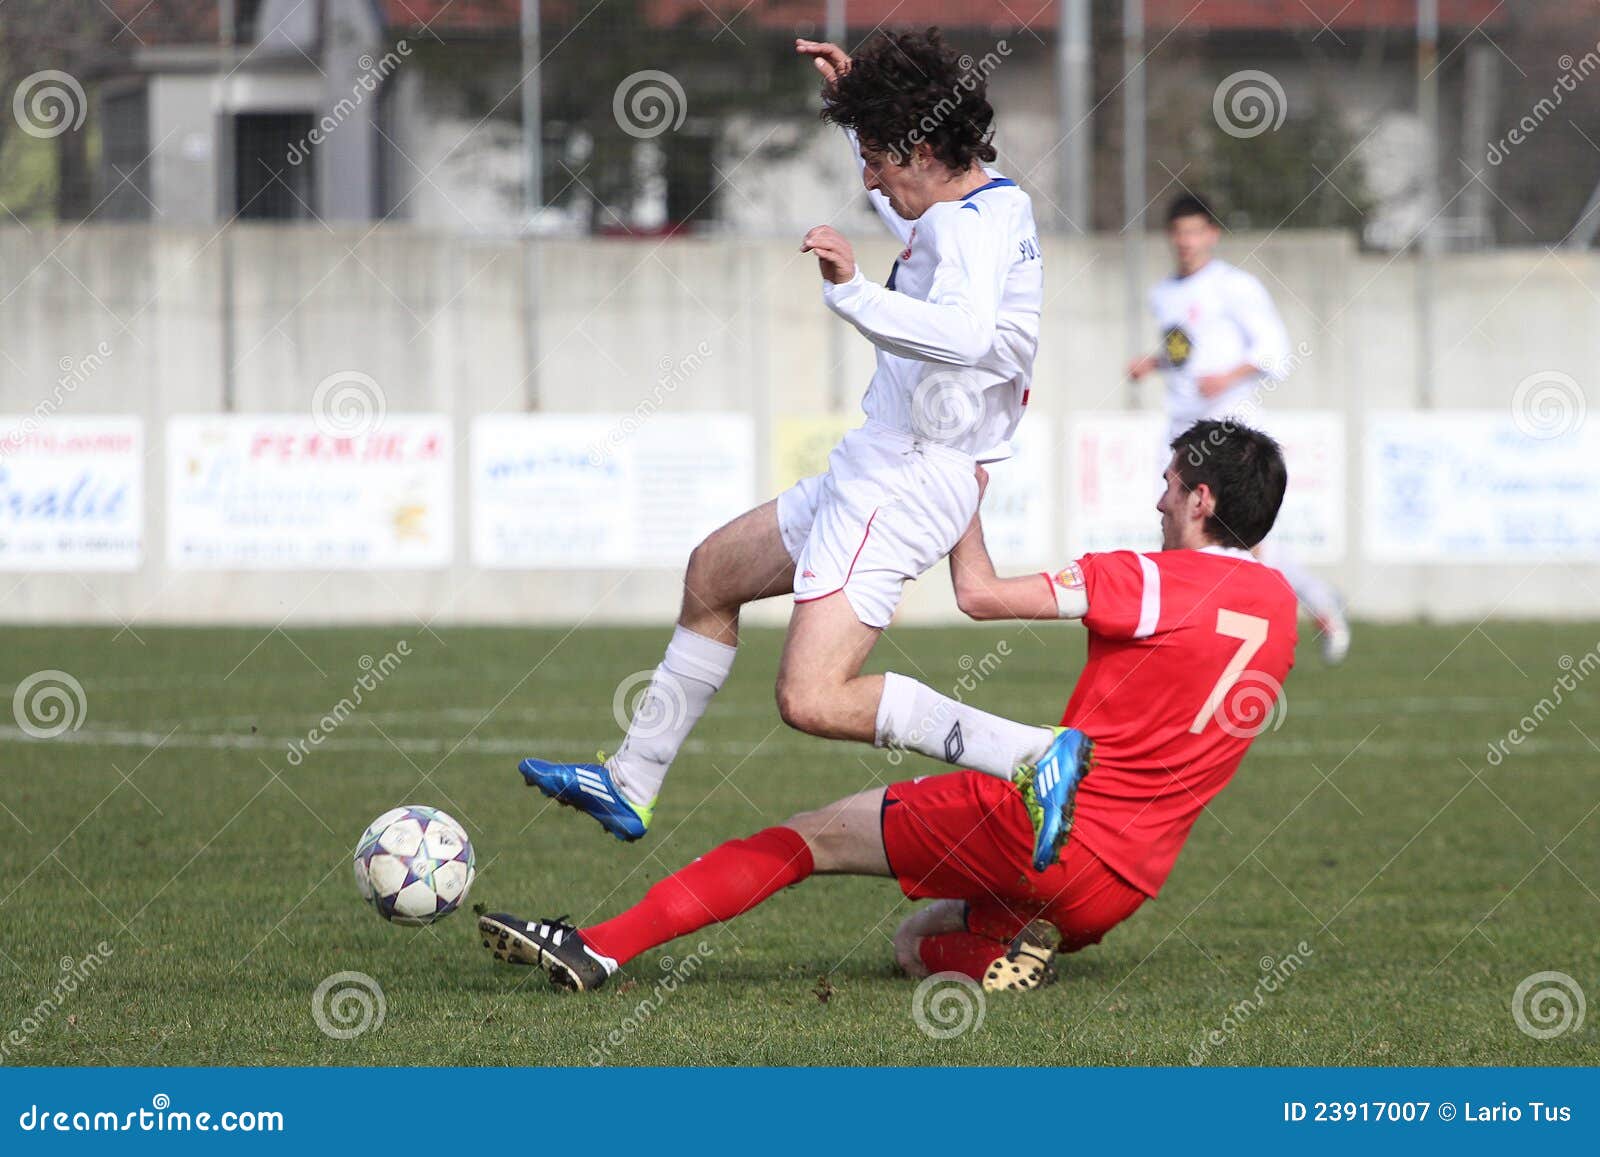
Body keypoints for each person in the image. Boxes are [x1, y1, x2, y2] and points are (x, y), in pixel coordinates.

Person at [518, 30, 1092, 872]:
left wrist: (851, 291)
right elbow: (912, 208)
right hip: (886, 464)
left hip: (903, 479)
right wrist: (864, 100)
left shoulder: (969, 228)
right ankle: (631, 778)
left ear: (923, 147)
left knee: (811, 696)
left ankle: (1030, 753)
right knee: (713, 572)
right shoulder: (991, 202)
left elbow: (965, 334)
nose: (868, 177)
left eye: (874, 156)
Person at [479, 420, 1299, 993]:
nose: (1156, 501)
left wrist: (963, 494)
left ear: (1199, 499)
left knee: (803, 838)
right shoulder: (1282, 608)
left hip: (1039, 822)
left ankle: (600, 948)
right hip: (1126, 885)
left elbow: (977, 594)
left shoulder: (1146, 577)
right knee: (915, 946)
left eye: (1167, 486)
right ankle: (1007, 943)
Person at [1128, 193, 1351, 664]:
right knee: (1172, 519)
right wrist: (1153, 363)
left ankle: (1315, 608)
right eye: (1179, 233)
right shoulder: (1163, 294)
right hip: (1183, 427)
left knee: (1245, 536)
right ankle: (1179, 631)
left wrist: (1226, 377)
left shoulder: (1235, 286)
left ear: (1212, 234)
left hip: (1231, 426)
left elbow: (1275, 352)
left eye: (1195, 231)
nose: (1186, 241)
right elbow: (1183, 350)